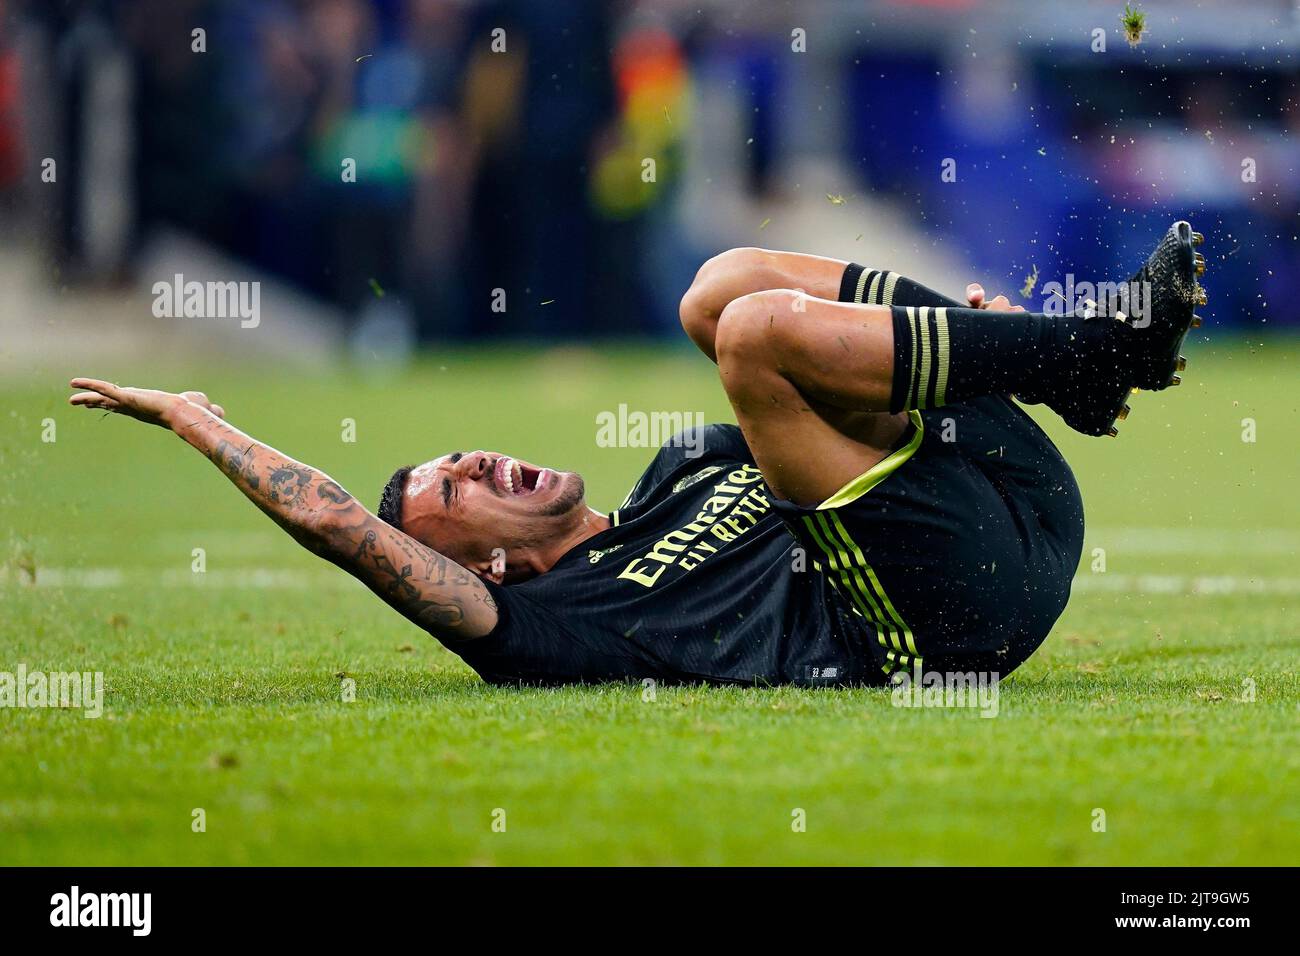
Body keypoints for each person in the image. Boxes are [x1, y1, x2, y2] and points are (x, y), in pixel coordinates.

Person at [69, 222, 1206, 687]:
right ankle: (1084, 355)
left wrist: (953, 351)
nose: (480, 461)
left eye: (461, 451)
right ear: (488, 571)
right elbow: (339, 527)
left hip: (1007, 493)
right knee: (754, 336)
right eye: (455, 491)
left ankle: (1071, 364)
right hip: (949, 620)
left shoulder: (679, 469)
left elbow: (855, 417)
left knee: (717, 292)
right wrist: (195, 418)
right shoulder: (562, 624)